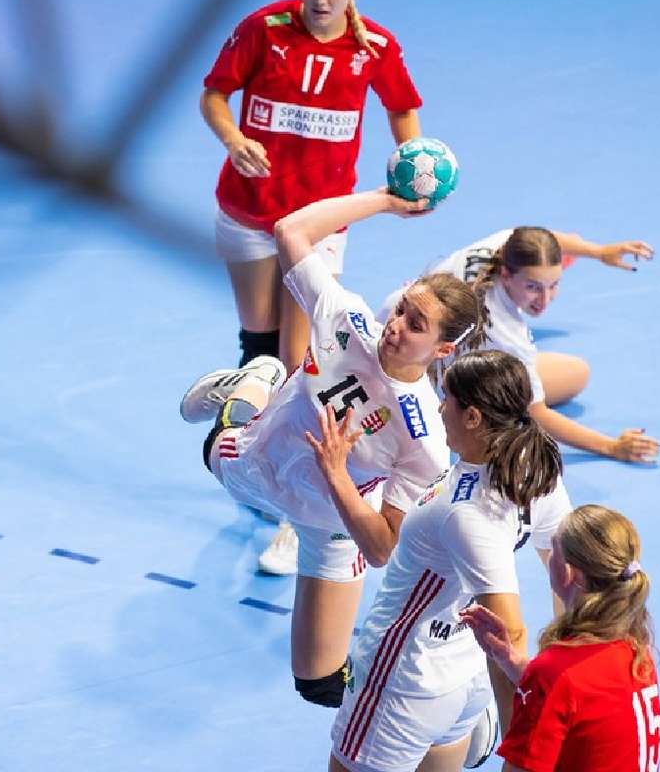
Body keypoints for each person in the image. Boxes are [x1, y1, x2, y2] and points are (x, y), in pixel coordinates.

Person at [179, 189, 481, 711]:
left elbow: (382, 548)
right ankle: (256, 380)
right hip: (254, 464)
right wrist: (387, 202)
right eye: (403, 309)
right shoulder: (349, 320)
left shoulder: (425, 436)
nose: (397, 327)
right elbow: (290, 232)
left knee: (318, 684)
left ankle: (449, 722)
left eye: (416, 326)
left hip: (330, 525)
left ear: (443, 349)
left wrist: (337, 474)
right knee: (210, 447)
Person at [202, 0, 424, 574]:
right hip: (248, 209)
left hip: (316, 224)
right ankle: (245, 442)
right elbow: (214, 95)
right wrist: (233, 138)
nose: (320, 0)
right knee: (258, 343)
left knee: (304, 359)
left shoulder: (374, 46)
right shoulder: (264, 27)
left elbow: (402, 107)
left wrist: (412, 165)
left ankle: (287, 516)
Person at [324, 349, 565, 772]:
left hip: (404, 680)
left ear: (473, 416)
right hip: (462, 679)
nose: (439, 408)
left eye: (448, 400)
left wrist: (522, 750)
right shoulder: (532, 467)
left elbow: (510, 632)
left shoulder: (469, 515)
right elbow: (563, 563)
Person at [380, 227, 660, 463]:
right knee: (576, 374)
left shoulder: (498, 246)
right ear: (505, 275)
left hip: (390, 323)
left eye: (554, 285)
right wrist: (611, 447)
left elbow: (537, 235)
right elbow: (535, 413)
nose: (546, 299)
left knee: (572, 372)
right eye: (533, 287)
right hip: (416, 386)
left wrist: (599, 252)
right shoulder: (507, 334)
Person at [460, 504, 660, 771]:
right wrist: (508, 658)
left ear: (567, 572)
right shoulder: (635, 649)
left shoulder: (554, 674)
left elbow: (560, 689)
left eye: (554, 549)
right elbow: (575, 700)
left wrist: (536, 677)